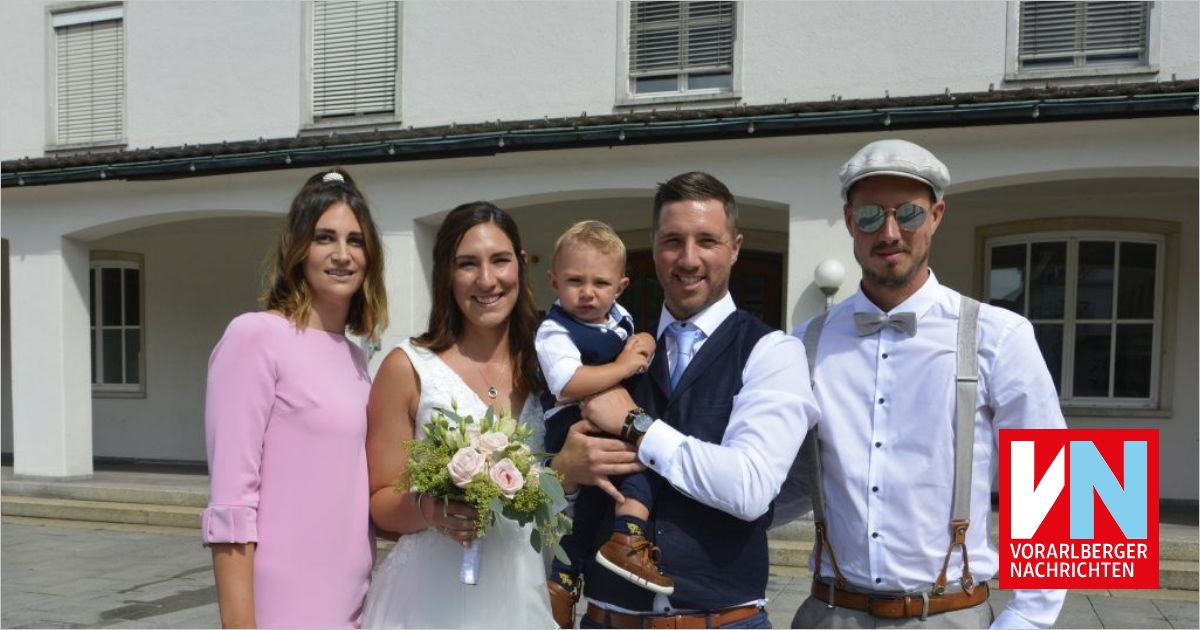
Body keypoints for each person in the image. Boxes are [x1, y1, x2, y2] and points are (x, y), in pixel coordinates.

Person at [787, 139, 1067, 628]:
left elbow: (1052, 481)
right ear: (849, 221)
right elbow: (787, 478)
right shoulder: (805, 341)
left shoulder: (1001, 335)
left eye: (909, 214)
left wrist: (1027, 619)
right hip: (829, 613)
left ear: (936, 216)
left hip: (950, 614)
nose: (889, 233)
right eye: (870, 215)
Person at [554, 172, 819, 628]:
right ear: (655, 247)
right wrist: (566, 475)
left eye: (707, 241)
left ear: (735, 247)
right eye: (673, 241)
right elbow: (566, 493)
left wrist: (636, 425)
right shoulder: (610, 350)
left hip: (723, 621)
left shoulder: (772, 352)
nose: (689, 258)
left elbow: (750, 488)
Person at [202, 168, 389, 628]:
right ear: (298, 249)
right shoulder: (255, 337)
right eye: (325, 238)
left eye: (355, 241)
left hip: (352, 600)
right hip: (283, 601)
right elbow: (231, 502)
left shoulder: (355, 358)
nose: (342, 254)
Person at [361, 201, 556, 628]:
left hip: (522, 595)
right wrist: (431, 509)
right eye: (467, 264)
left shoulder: (547, 368)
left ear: (521, 265)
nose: (487, 279)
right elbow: (379, 503)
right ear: (446, 274)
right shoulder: (408, 368)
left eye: (499, 260)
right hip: (430, 603)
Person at [535, 221, 664, 628]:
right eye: (575, 281)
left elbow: (639, 341)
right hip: (574, 426)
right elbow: (568, 383)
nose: (588, 292)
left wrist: (645, 340)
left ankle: (582, 568)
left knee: (595, 506)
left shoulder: (619, 318)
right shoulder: (554, 330)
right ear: (554, 281)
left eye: (601, 283)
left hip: (612, 421)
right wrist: (623, 366)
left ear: (620, 286)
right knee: (633, 471)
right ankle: (617, 543)